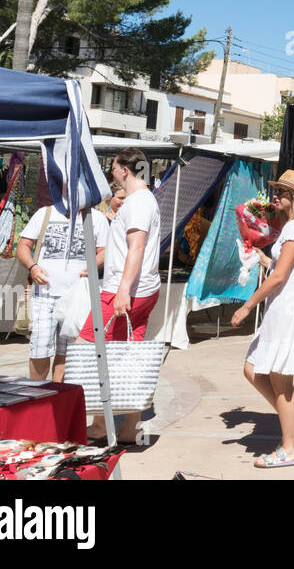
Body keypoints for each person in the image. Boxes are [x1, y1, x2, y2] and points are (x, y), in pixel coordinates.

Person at [231, 170, 294, 468]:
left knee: (281, 380)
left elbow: (281, 275)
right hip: (286, 304)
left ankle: (290, 448)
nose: (275, 197)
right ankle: (292, 425)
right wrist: (264, 258)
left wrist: (247, 305)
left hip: (288, 307)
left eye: (281, 193)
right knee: (253, 368)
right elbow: (282, 267)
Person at [82, 147, 162, 445]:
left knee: (86, 350)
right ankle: (129, 427)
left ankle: (101, 423)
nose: (112, 173)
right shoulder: (143, 200)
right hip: (142, 289)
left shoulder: (139, 202)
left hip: (124, 289)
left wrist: (123, 290)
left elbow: (136, 247)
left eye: (114, 168)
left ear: (125, 171)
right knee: (131, 357)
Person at [16, 201, 109, 382]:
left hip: (78, 296)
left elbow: (104, 250)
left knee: (67, 350)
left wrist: (94, 264)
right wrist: (32, 267)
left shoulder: (96, 218)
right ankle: (38, 393)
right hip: (44, 294)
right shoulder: (45, 213)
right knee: (39, 347)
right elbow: (23, 245)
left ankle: (57, 396)